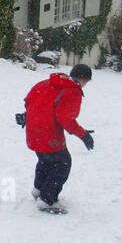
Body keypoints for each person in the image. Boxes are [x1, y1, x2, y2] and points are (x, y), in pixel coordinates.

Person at [23, 63, 95, 214]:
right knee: (63, 163)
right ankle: (46, 200)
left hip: (33, 131)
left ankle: (38, 190)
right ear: (84, 80)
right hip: (49, 134)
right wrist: (83, 135)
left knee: (45, 159)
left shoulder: (47, 82)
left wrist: (27, 117)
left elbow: (29, 100)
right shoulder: (72, 91)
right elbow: (65, 119)